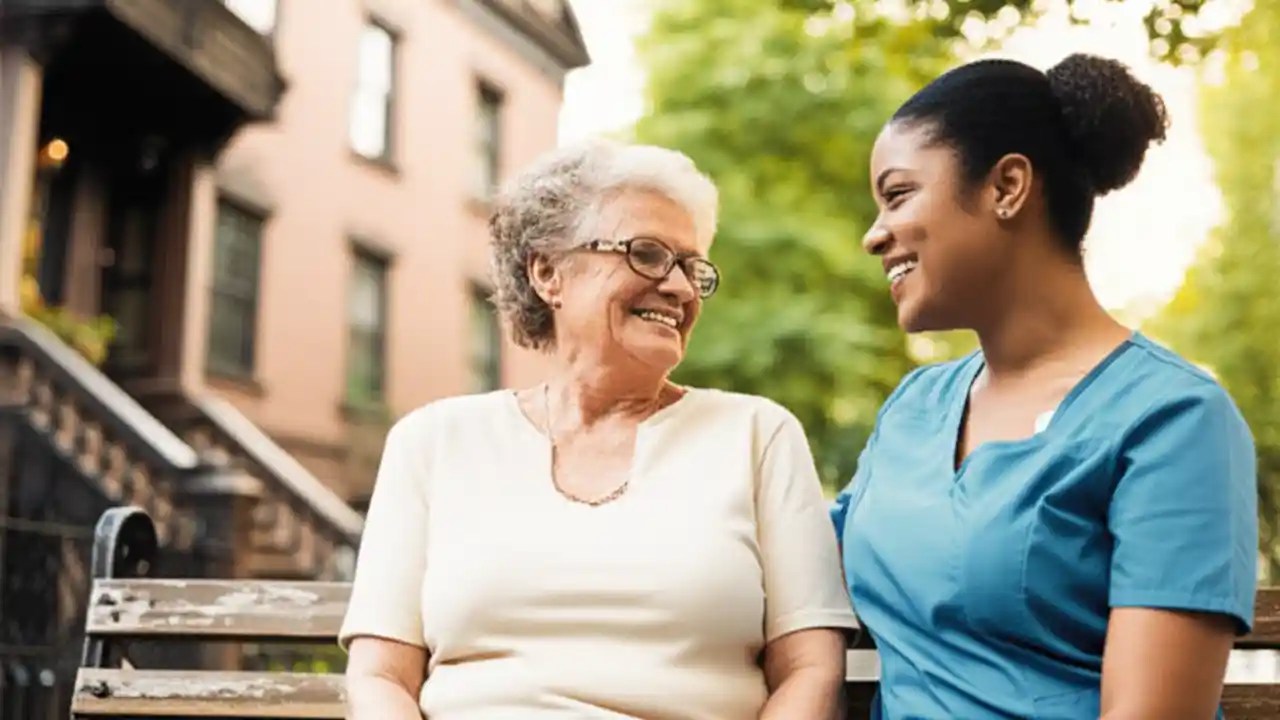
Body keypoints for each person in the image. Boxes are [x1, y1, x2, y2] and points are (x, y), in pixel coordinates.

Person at [339, 139, 859, 719]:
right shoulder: (432, 442)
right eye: (648, 254)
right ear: (547, 272)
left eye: (692, 267)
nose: (682, 289)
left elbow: (811, 669)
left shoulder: (758, 435)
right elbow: (380, 676)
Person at [832, 53, 1258, 719]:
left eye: (898, 194)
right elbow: (784, 567)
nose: (873, 234)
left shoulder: (1173, 421)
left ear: (1007, 186)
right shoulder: (916, 409)